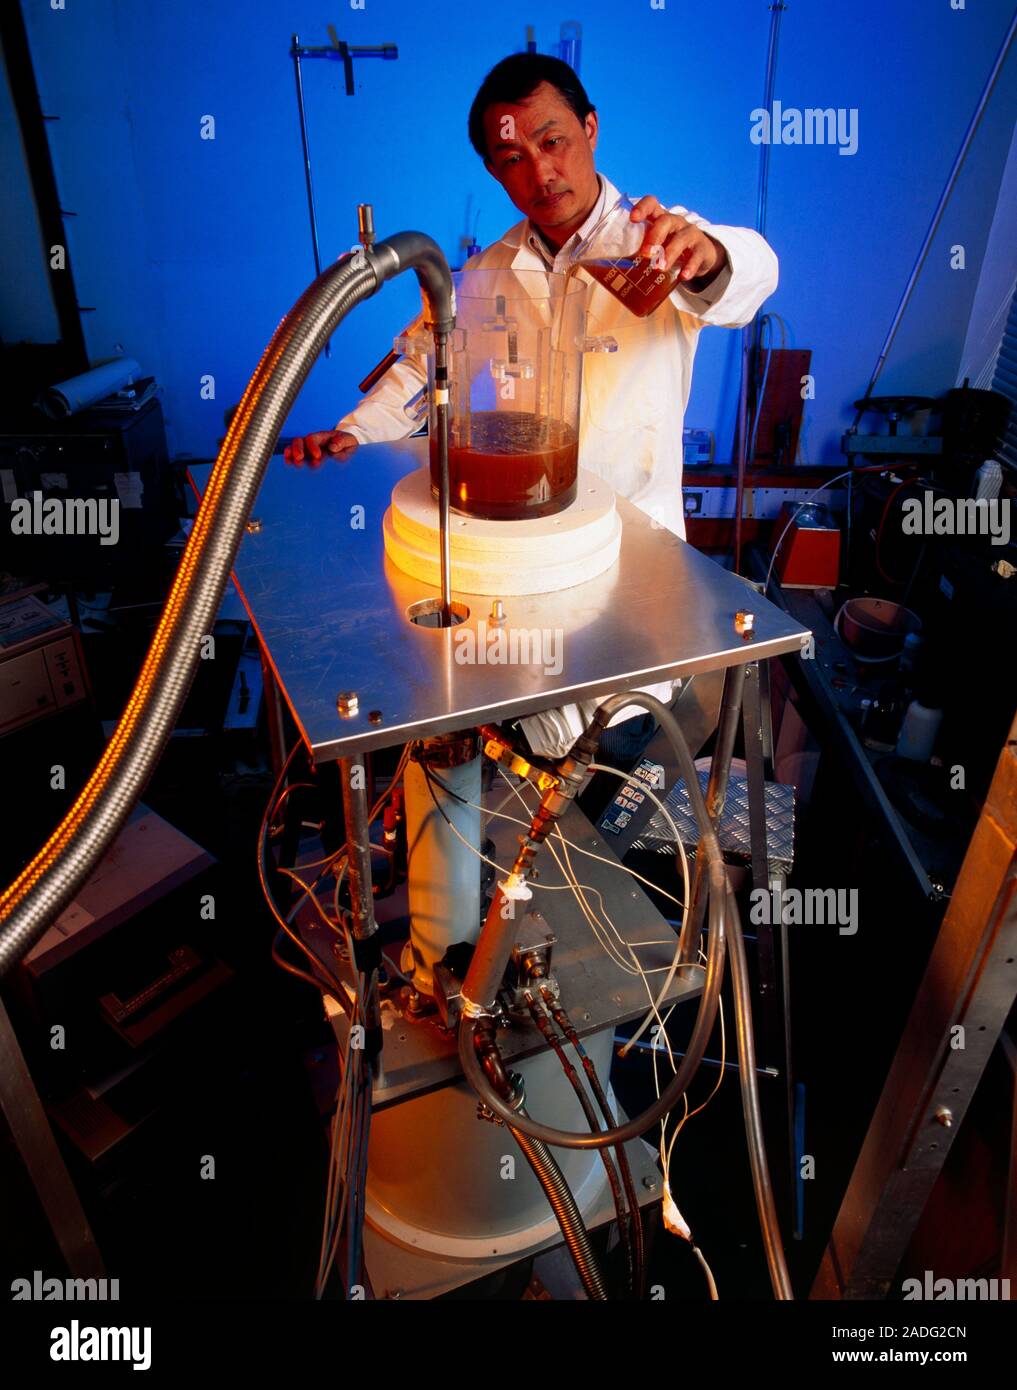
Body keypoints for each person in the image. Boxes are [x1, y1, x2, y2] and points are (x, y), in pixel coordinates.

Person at [286, 53, 778, 766]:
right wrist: (352, 433)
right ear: (493, 171)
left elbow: (753, 270)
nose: (539, 174)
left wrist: (704, 254)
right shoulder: (483, 273)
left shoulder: (657, 244)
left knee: (611, 749)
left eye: (553, 142)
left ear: (590, 128)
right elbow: (420, 370)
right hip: (517, 551)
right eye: (511, 157)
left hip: (630, 559)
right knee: (513, 724)